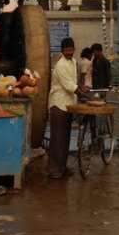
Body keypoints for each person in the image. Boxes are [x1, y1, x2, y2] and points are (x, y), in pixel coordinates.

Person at [48, 37, 87, 179]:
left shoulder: (73, 62)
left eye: (71, 50)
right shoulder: (61, 65)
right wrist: (83, 95)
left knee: (65, 139)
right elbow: (69, 86)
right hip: (58, 105)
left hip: (69, 105)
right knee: (57, 139)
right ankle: (54, 170)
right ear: (62, 50)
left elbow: (74, 82)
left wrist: (83, 89)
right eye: (67, 50)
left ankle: (62, 168)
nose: (69, 52)